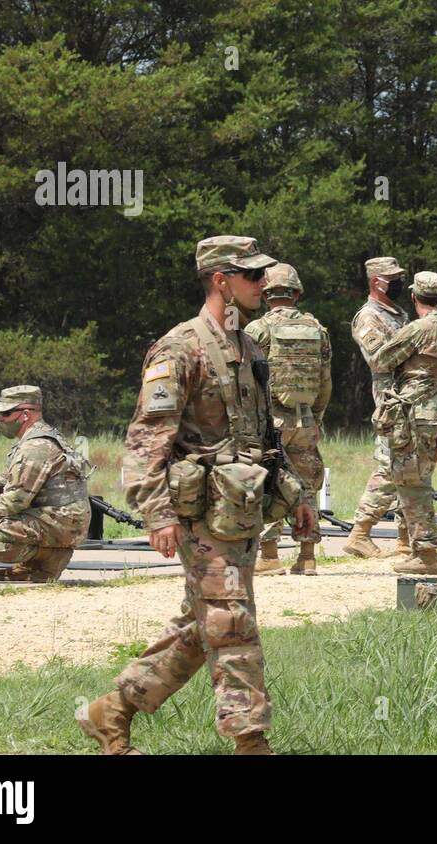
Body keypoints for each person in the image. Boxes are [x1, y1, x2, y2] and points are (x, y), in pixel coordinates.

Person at [79, 236, 317, 756]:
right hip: (200, 514)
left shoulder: (250, 348)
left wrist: (297, 495)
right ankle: (250, 740)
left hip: (240, 512)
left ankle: (111, 710)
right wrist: (157, 512)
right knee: (231, 621)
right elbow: (146, 438)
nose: (264, 284)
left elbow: (264, 440)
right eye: (253, 276)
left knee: (200, 626)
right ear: (220, 281)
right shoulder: (179, 348)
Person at [367, 273, 437, 574]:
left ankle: (425, 553)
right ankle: (417, 548)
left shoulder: (418, 329)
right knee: (420, 478)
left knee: (411, 482)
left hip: (415, 413)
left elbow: (381, 361)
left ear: (414, 297)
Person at [245, 263, 331, 574]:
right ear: (296, 293)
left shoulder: (258, 330)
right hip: (305, 419)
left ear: (266, 295)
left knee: (269, 481)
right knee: (307, 484)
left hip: (271, 423)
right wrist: (316, 418)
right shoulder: (317, 330)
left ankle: (269, 556)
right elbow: (325, 381)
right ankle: (307, 555)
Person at [0, 385, 92, 582]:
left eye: (6, 413)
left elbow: (16, 499)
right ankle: (39, 568)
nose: (0, 419)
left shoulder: (36, 446)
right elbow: (15, 477)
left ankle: (50, 556)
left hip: (61, 521)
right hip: (63, 519)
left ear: (25, 414)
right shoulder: (40, 437)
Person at [346, 257, 411, 558]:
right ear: (376, 282)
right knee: (389, 465)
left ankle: (405, 537)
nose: (398, 282)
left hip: (410, 399)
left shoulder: (399, 314)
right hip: (390, 403)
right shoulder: (369, 317)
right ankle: (360, 533)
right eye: (392, 277)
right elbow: (379, 358)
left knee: (410, 467)